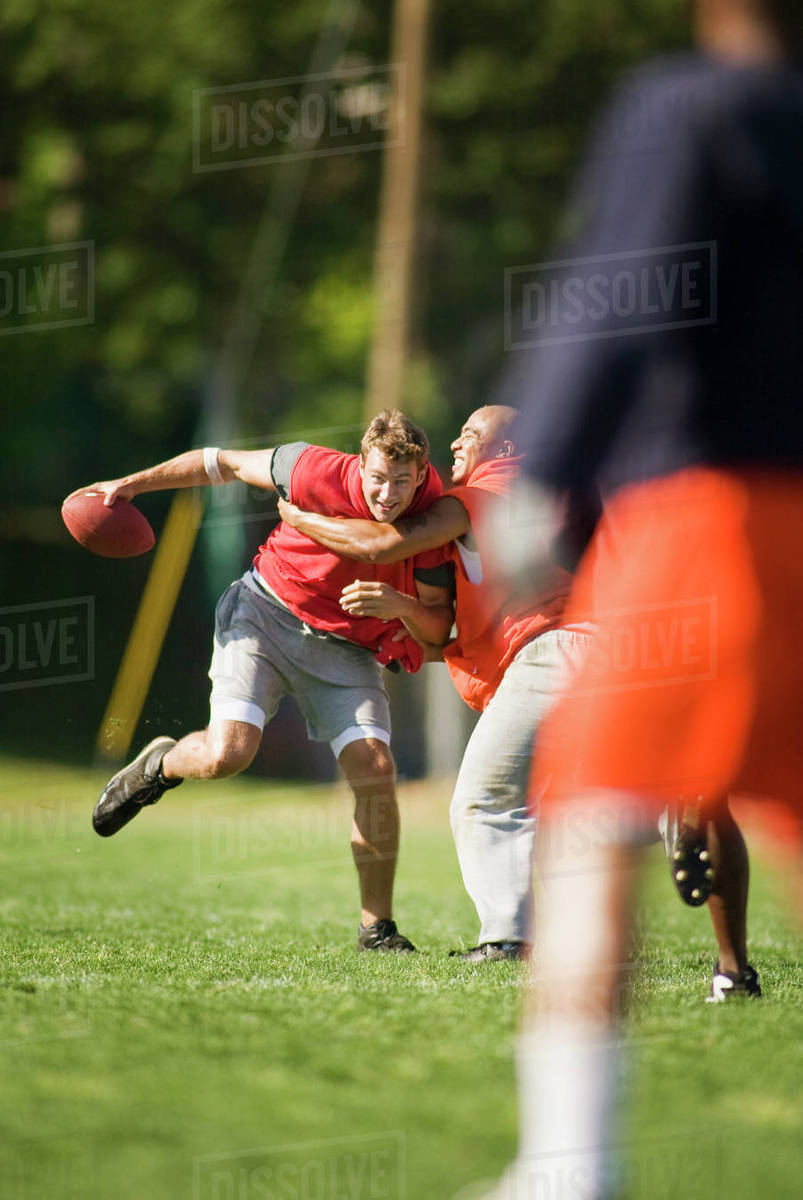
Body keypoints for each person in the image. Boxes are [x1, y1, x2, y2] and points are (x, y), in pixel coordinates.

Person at [479, 0, 803, 1195]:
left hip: (707, 518)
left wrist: (544, 475)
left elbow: (617, 298)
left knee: (591, 829)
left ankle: (568, 1168)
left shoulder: (689, 105)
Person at [75, 410, 455, 953]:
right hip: (265, 612)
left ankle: (376, 929)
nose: (387, 493)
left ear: (421, 475)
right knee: (227, 755)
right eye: (377, 478)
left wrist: (402, 606)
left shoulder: (436, 514)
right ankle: (160, 764)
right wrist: (131, 484)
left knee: (376, 770)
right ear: (359, 463)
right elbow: (221, 462)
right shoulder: (310, 469)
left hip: (347, 647)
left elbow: (437, 628)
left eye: (401, 481)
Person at [278, 404, 596, 961]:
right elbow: (448, 629)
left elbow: (381, 545)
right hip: (597, 652)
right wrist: (404, 620)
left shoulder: (486, 490)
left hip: (555, 652)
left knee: (483, 800)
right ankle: (681, 816)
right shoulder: (547, 492)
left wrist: (299, 518)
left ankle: (507, 939)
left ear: (506, 449)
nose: (455, 443)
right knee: (596, 798)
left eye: (471, 434)